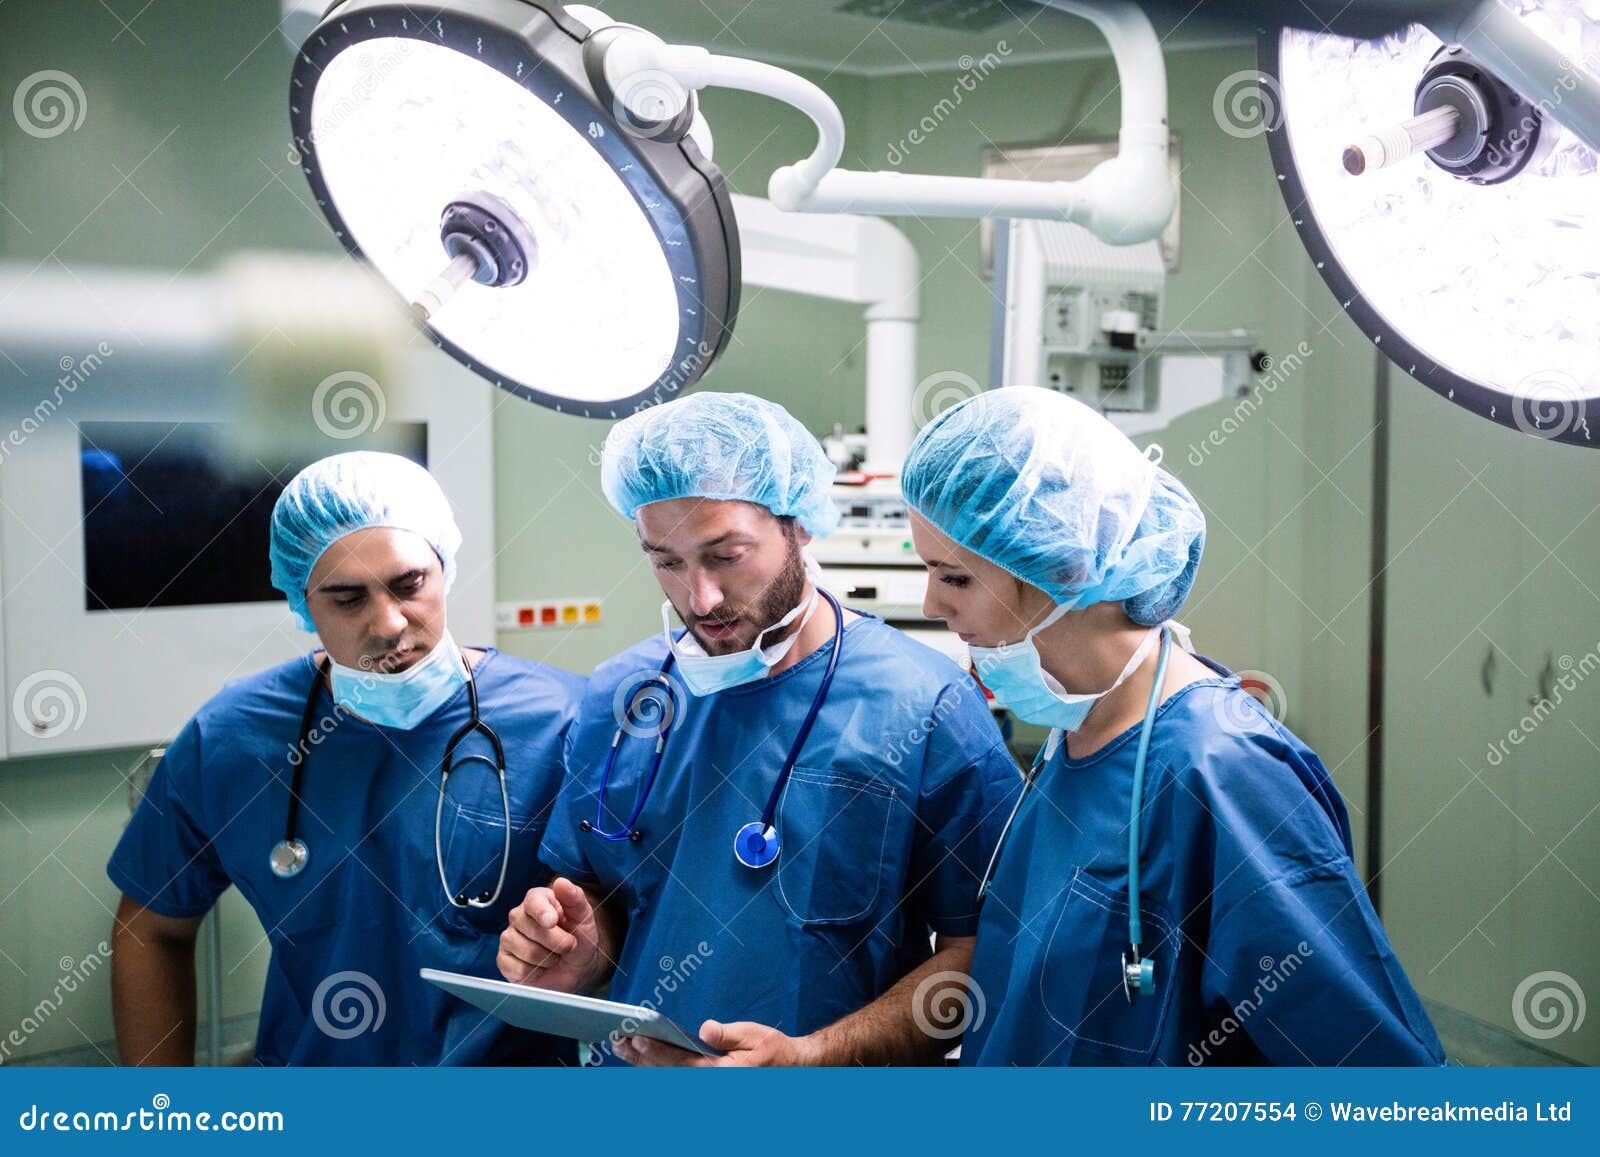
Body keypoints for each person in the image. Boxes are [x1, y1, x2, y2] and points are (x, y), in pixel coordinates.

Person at [901, 386, 1444, 1066]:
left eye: (954, 578)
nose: (931, 604)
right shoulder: (1075, 733)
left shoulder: (1221, 770)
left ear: (1065, 565)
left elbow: (1372, 1070)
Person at [497, 392, 1019, 1066]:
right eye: (667, 561)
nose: (700, 598)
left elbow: (983, 951)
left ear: (800, 526)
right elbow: (608, 895)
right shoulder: (623, 698)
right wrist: (579, 947)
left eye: (727, 555)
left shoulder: (927, 706)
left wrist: (812, 1057)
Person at [107, 452, 584, 1066]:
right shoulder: (234, 738)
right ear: (302, 601)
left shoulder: (560, 718)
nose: (388, 624)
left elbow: (627, 915)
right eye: (348, 598)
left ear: (444, 567)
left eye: (409, 584)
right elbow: (150, 928)